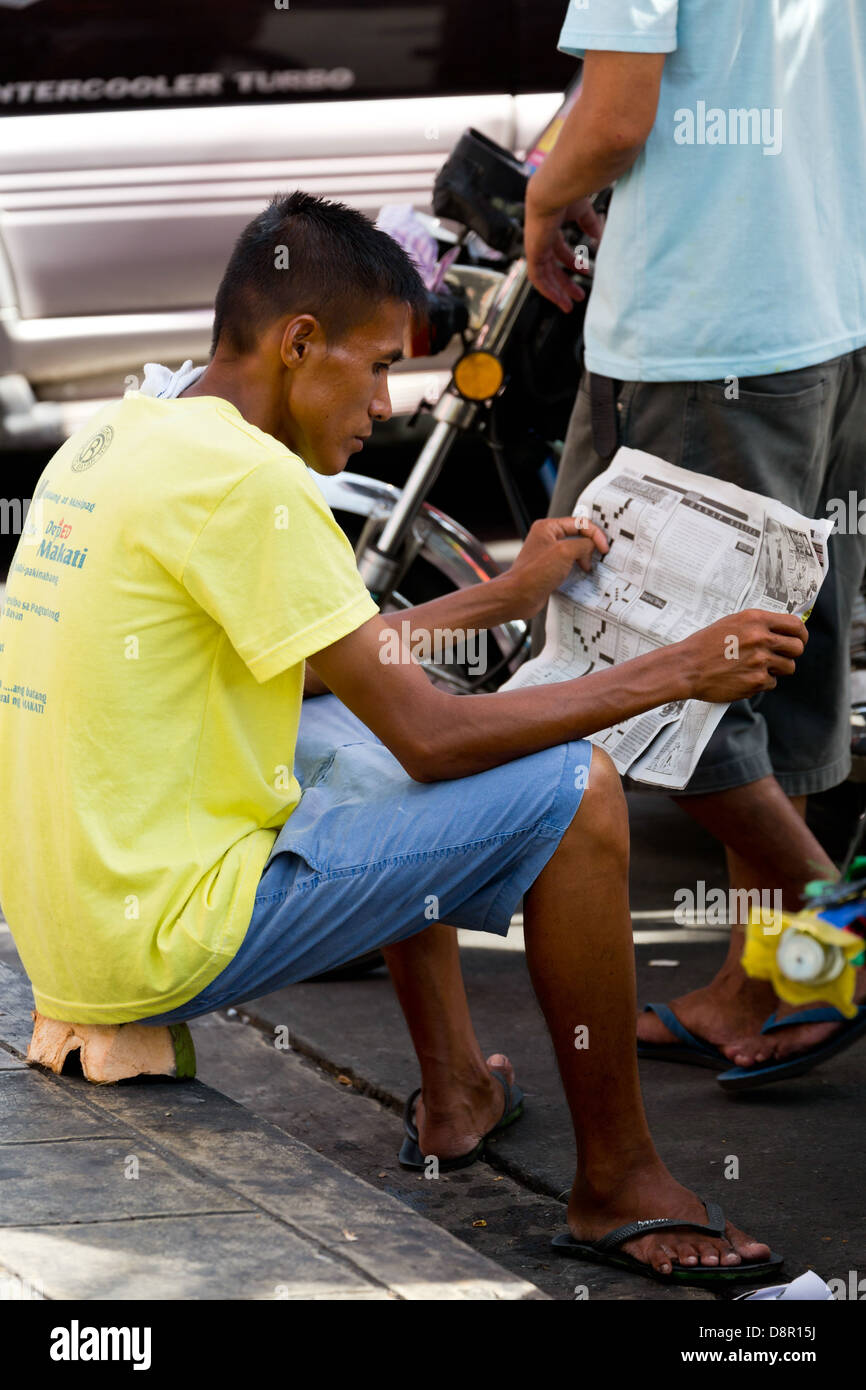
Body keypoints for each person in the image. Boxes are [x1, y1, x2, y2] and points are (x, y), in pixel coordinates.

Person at [0, 191, 806, 1284]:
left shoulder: (131, 434)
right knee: (573, 789)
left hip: (71, 927)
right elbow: (433, 740)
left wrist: (507, 595)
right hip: (153, 938)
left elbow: (338, 655)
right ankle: (616, 1180)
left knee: (353, 733)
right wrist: (676, 667)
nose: (386, 402)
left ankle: (459, 1092)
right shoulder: (252, 486)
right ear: (297, 345)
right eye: (377, 366)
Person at [524, 0, 866, 1086]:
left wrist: (542, 191)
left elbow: (616, 116)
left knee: (643, 665)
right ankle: (763, 982)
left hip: (700, 328)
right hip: (832, 311)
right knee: (780, 662)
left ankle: (841, 931)